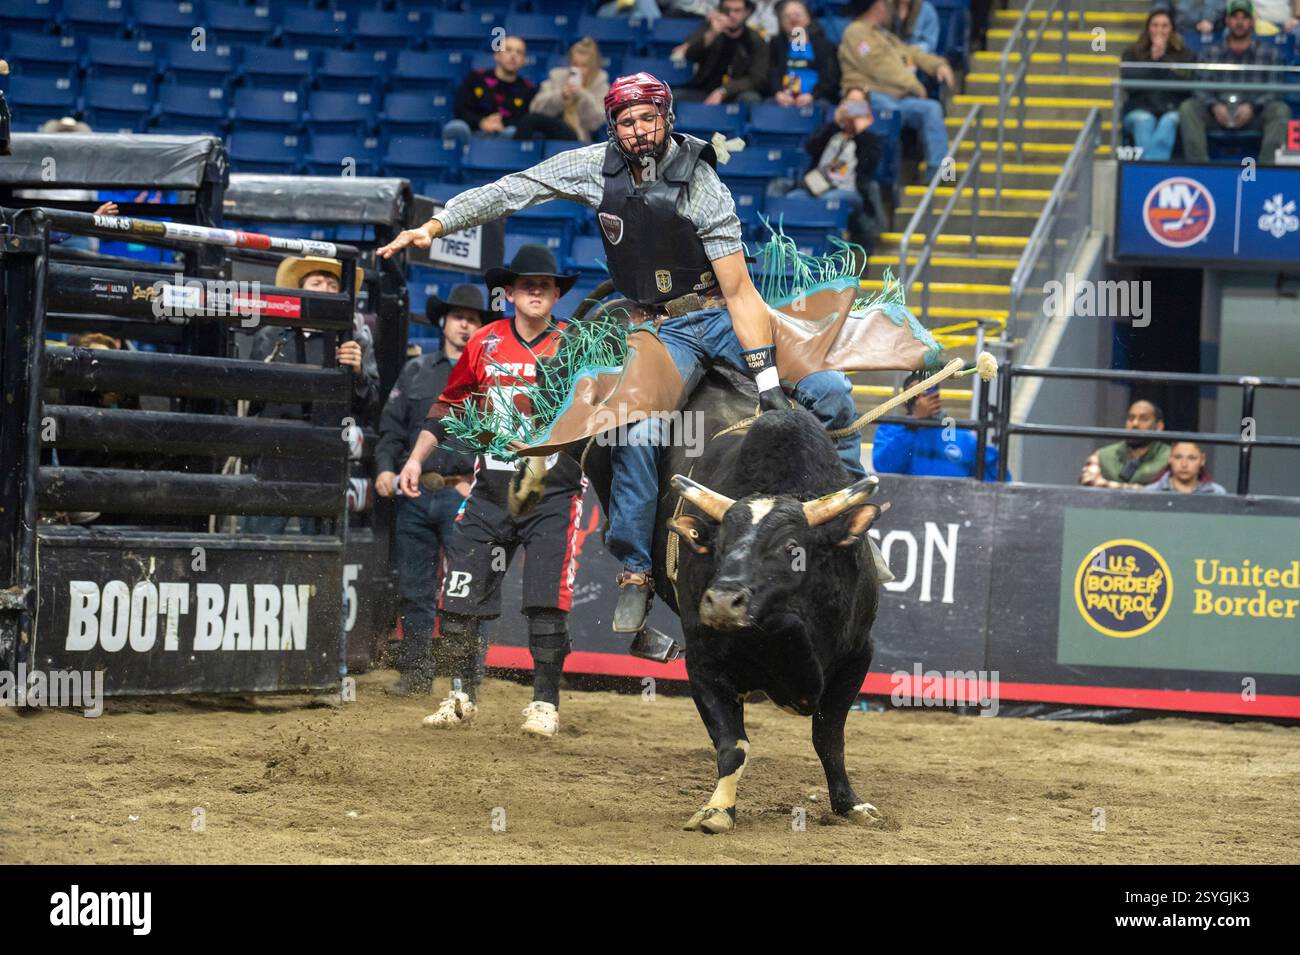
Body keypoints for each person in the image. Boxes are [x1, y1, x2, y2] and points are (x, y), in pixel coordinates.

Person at [377, 72, 864, 641]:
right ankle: (636, 569)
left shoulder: (701, 181)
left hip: (721, 313)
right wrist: (435, 225)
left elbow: (739, 294)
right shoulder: (592, 166)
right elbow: (514, 188)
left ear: (667, 118)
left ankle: (852, 520)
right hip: (659, 326)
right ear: (614, 126)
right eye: (627, 121)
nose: (638, 130)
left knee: (831, 390)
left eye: (648, 118)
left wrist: (768, 382)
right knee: (632, 430)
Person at [395, 247, 589, 738]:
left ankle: (544, 703)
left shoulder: (575, 343)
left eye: (546, 284)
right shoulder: (484, 342)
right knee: (459, 596)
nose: (537, 290)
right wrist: (416, 459)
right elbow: (446, 405)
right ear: (510, 291)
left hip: (552, 491)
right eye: (527, 283)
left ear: (558, 292)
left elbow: (600, 409)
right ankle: (460, 694)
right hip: (489, 490)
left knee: (547, 600)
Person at [375, 284, 488, 696]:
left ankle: (468, 679)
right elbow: (390, 428)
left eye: (473, 319)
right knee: (415, 588)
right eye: (459, 316)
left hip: (462, 492)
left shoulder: (488, 374)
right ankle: (417, 674)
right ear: (445, 321)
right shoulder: (417, 371)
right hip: (418, 493)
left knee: (465, 590)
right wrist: (385, 468)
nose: (465, 324)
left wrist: (478, 484)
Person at [242, 256, 379, 534]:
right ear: (302, 290)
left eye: (332, 285)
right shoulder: (271, 336)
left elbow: (372, 400)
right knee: (259, 533)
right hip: (275, 450)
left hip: (325, 453)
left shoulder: (354, 341)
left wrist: (358, 372)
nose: (326, 290)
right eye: (317, 283)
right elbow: (252, 396)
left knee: (322, 540)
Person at [839, 0, 956, 173]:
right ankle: (886, 174)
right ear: (877, 6)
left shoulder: (883, 34)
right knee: (890, 111)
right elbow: (879, 66)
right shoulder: (855, 32)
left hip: (897, 97)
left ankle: (941, 173)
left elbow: (911, 52)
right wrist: (914, 86)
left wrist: (938, 65)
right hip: (867, 96)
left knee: (932, 109)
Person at [1178, 0, 1291, 164]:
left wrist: (1252, 106)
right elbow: (1200, 88)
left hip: (1254, 116)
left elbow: (1274, 90)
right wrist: (1214, 106)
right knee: (1189, 108)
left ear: (1252, 21)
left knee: (1280, 110)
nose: (1239, 22)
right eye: (1235, 17)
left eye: (1244, 17)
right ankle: (1199, 168)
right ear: (1227, 21)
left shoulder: (1270, 53)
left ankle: (1267, 170)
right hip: (1217, 115)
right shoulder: (1210, 53)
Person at [785, 87, 883, 256]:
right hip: (816, 188)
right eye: (849, 103)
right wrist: (835, 124)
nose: (852, 108)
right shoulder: (831, 131)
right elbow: (810, 147)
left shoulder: (870, 139)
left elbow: (869, 166)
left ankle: (828, 255)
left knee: (828, 201)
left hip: (847, 190)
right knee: (793, 199)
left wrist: (860, 132)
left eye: (858, 104)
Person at [871, 370, 1006, 480]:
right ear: (905, 401)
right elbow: (884, 467)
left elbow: (997, 476)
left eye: (929, 390)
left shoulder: (959, 434)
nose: (925, 396)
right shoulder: (891, 429)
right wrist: (915, 422)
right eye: (916, 394)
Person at [442, 36, 576, 146]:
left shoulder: (528, 89)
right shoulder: (476, 78)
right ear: (497, 55)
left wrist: (502, 125)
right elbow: (461, 109)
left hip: (506, 136)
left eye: (519, 52)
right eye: (508, 50)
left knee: (513, 132)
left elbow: (525, 120)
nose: (513, 55)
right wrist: (482, 122)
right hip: (472, 132)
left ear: (523, 61)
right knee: (456, 127)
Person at [1122, 6, 1195, 161]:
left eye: (1164, 26)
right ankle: (1154, 170)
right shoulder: (1132, 53)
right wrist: (1153, 60)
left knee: (1169, 121)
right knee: (1144, 121)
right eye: (1155, 25)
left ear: (1172, 30)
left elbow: (1185, 86)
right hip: (1139, 108)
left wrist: (1162, 60)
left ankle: (1148, 170)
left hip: (1172, 108)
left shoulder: (1185, 54)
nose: (1159, 30)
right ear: (1148, 28)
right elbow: (1130, 84)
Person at [674, 0, 770, 105]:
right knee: (675, 96)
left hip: (735, 94)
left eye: (737, 10)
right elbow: (690, 56)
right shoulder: (709, 29)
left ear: (746, 12)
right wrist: (712, 33)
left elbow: (757, 78)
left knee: (751, 98)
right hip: (704, 91)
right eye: (727, 10)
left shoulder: (755, 40)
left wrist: (724, 91)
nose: (731, 14)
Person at [529, 37, 611, 143]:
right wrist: (561, 96)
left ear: (592, 67)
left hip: (578, 137)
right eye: (575, 64)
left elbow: (595, 123)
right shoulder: (557, 76)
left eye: (584, 66)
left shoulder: (600, 82)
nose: (578, 70)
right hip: (549, 132)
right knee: (528, 122)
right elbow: (535, 108)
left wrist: (582, 94)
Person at [1079, 399, 1171, 489]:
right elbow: (1088, 482)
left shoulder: (1171, 456)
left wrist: (1110, 485)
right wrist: (1136, 489)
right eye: (1131, 418)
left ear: (1159, 427)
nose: (1135, 424)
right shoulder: (1103, 455)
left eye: (1144, 419)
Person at [767, 0, 842, 108]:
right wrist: (778, 93)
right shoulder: (776, 45)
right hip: (783, 99)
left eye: (797, 14)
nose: (793, 19)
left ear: (808, 18)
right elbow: (772, 73)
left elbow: (831, 77)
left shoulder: (825, 46)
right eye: (787, 16)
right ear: (782, 22)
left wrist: (812, 96)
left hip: (816, 99)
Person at [1144, 440, 1228, 494]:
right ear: (1170, 458)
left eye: (1191, 458)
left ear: (1202, 460)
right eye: (1178, 457)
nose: (1184, 464)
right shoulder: (1151, 492)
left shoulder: (1216, 493)